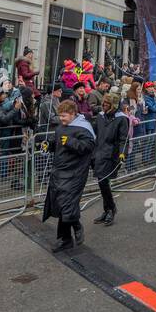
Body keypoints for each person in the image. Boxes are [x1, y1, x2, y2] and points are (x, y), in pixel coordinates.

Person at [41, 100, 95, 250]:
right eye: (60, 116)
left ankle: (75, 228)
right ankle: (65, 239)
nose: (61, 119)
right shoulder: (61, 128)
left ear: (73, 114)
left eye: (64, 116)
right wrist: (48, 145)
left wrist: (71, 141)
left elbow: (89, 147)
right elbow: (56, 143)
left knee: (67, 203)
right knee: (60, 203)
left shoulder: (84, 128)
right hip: (59, 171)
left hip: (75, 172)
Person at [91, 92, 129, 226]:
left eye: (107, 104)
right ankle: (108, 209)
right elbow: (93, 131)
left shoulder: (121, 118)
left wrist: (122, 154)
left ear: (113, 105)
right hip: (99, 153)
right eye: (103, 104)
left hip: (111, 154)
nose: (104, 106)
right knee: (102, 182)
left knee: (103, 181)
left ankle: (111, 209)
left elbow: (124, 138)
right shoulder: (101, 116)